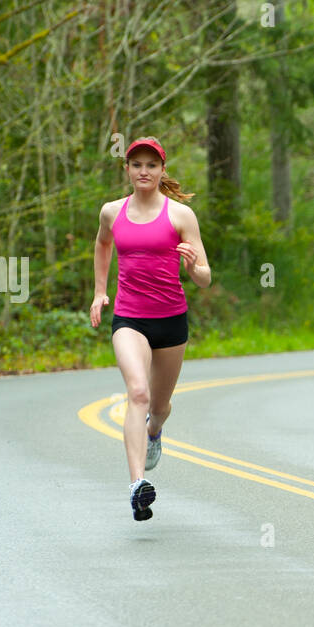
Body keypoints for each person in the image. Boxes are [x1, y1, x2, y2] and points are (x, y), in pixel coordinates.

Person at [89, 136, 211, 520]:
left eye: (151, 165)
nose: (144, 171)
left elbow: (206, 278)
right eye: (136, 164)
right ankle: (137, 485)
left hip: (171, 320)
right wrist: (99, 292)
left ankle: (155, 431)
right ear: (127, 169)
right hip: (130, 319)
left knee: (158, 407)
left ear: (162, 171)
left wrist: (193, 267)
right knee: (137, 393)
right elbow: (103, 245)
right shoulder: (112, 211)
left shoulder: (180, 216)